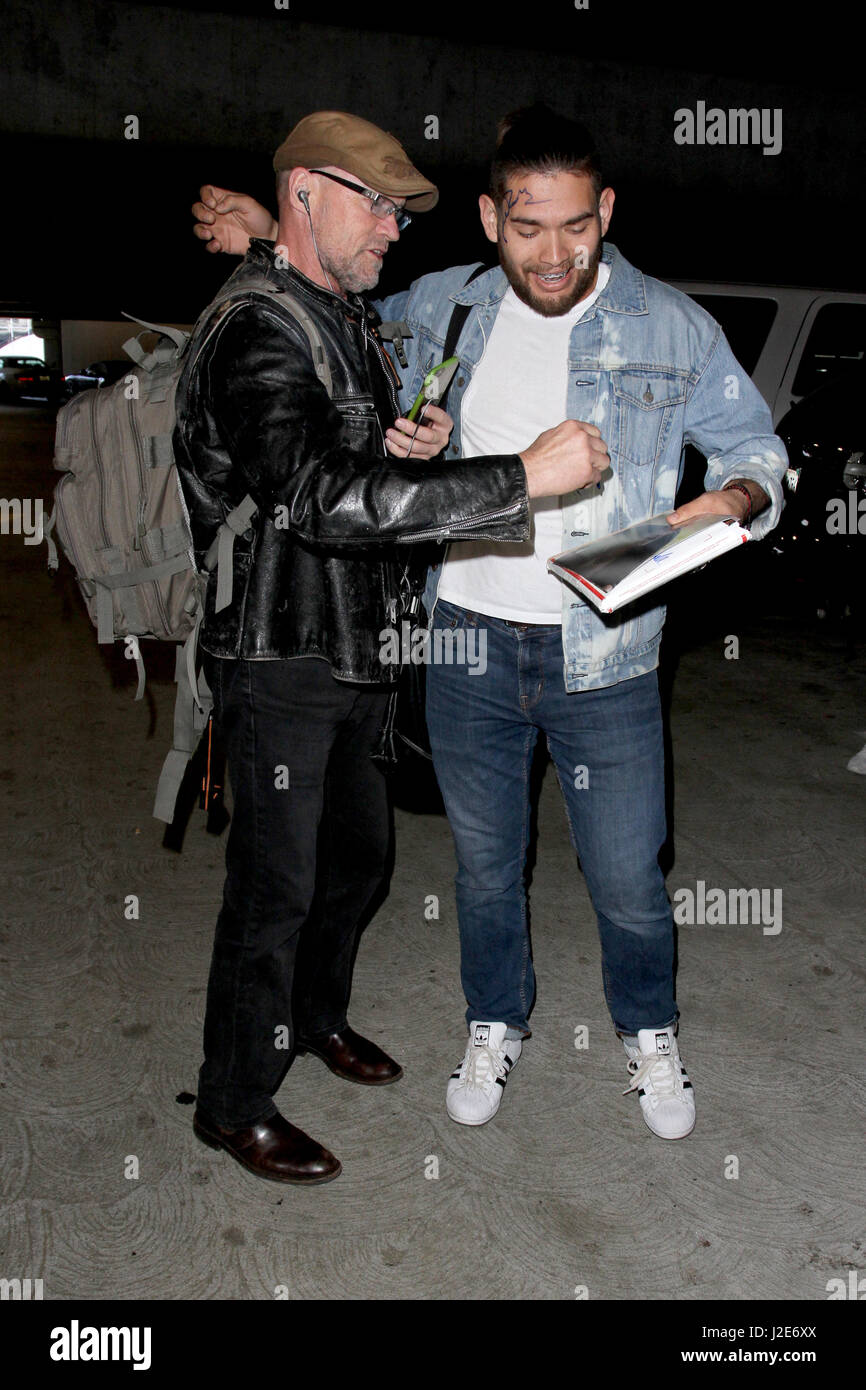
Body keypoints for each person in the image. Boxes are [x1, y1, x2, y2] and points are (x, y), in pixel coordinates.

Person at [191, 104, 788, 1144]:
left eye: (573, 226)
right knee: (479, 869)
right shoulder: (444, 306)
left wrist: (727, 503)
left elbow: (755, 453)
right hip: (461, 639)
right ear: (486, 219)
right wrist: (262, 234)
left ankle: (646, 1030)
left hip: (603, 655)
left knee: (626, 880)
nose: (551, 253)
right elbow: (333, 300)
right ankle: (492, 1019)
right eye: (525, 228)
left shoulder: (670, 327)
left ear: (603, 212)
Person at [176, 109, 604, 1186]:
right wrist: (516, 482)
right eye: (373, 203)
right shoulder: (258, 328)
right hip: (280, 655)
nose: (391, 228)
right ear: (306, 194)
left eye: (400, 209)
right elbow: (314, 495)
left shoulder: (339, 311)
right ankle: (232, 1099)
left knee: (355, 865)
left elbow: (349, 456)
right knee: (272, 890)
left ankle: (311, 1020)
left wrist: (404, 443)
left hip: (357, 649)